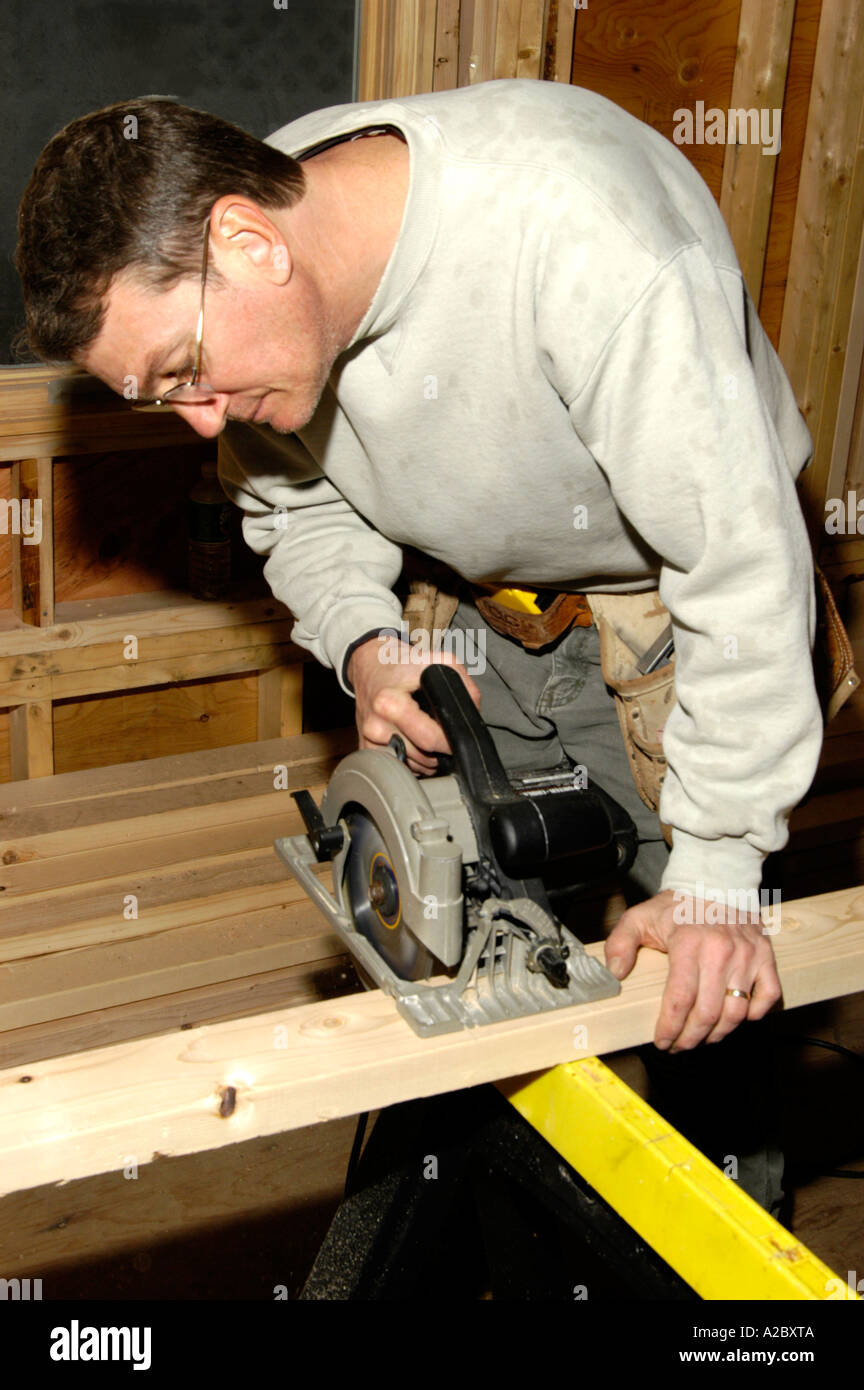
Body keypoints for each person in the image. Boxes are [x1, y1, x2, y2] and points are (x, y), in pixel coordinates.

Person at [16, 78, 824, 1212]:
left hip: (669, 625)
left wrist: (723, 868)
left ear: (247, 243)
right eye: (163, 398)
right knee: (461, 967)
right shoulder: (262, 223)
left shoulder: (587, 240)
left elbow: (742, 567)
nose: (199, 419)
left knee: (702, 1001)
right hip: (471, 604)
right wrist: (365, 638)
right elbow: (292, 505)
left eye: (186, 368)